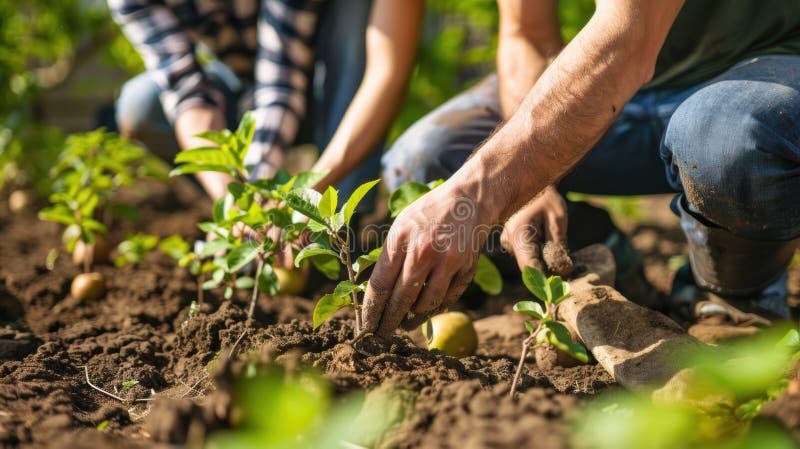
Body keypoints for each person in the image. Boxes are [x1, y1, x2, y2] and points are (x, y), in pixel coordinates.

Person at [363, 0, 800, 338]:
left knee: (727, 136)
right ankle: (598, 257)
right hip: (626, 91)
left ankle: (737, 296)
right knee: (428, 158)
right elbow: (527, 37)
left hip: (761, 71)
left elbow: (628, 38)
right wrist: (529, 186)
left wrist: (479, 192)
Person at [109, 0, 422, 212]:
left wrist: (296, 189)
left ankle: (340, 221)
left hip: (331, 86)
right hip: (248, 88)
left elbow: (281, 79)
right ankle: (276, 208)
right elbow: (187, 93)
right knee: (141, 106)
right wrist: (235, 198)